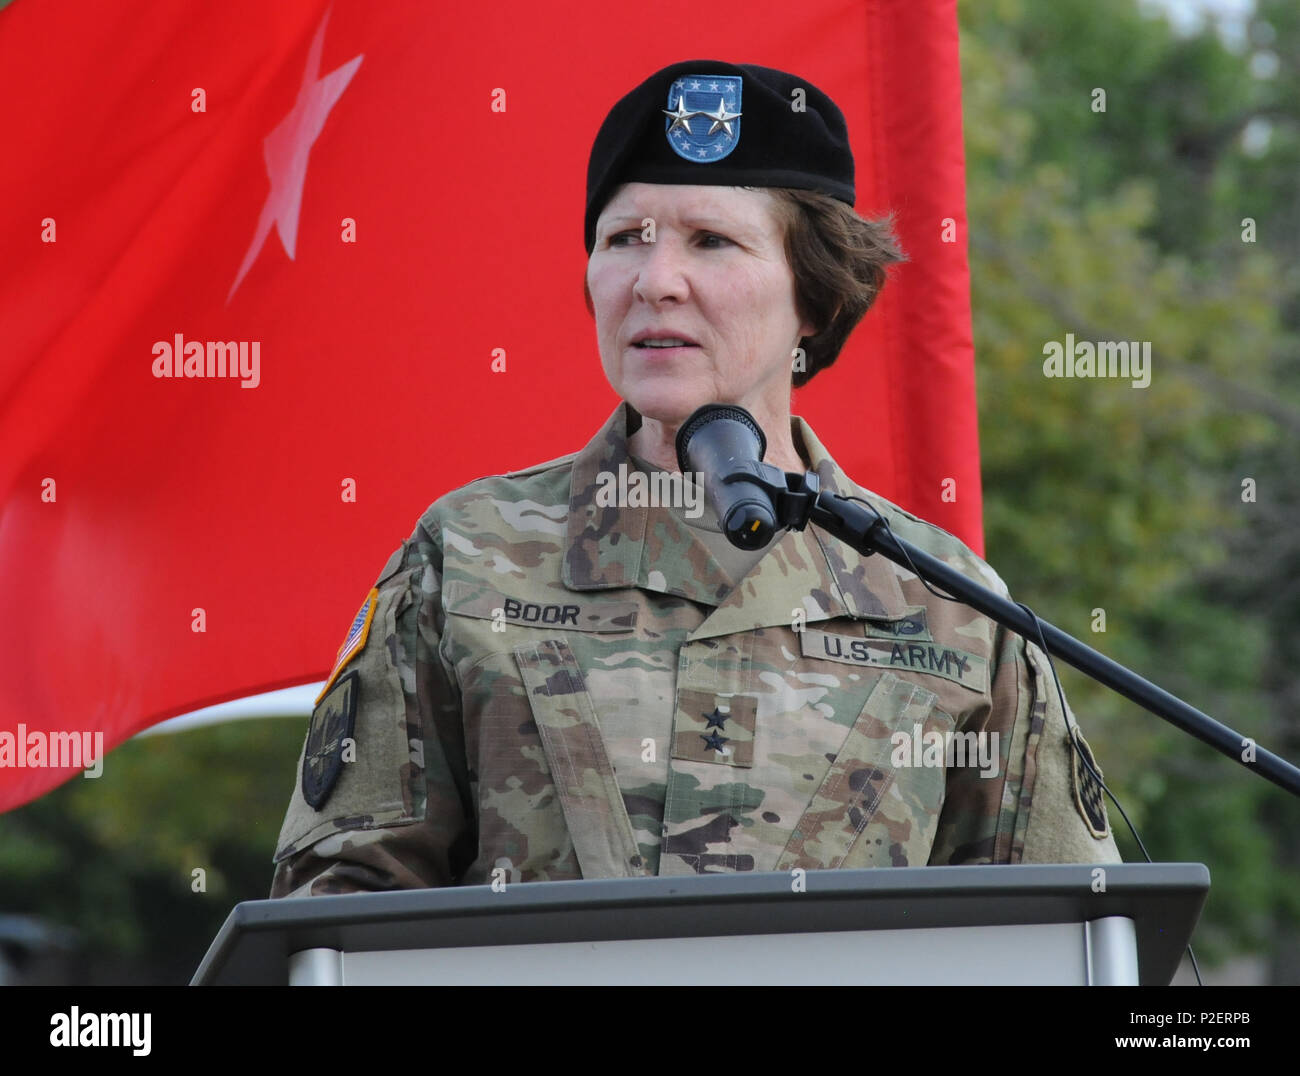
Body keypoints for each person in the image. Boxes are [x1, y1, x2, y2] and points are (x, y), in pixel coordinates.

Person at [270, 58, 1120, 899]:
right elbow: (339, 903)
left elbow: (1063, 920)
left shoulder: (952, 605)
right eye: (623, 240)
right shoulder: (466, 557)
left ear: (816, 296)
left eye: (711, 241)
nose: (655, 281)